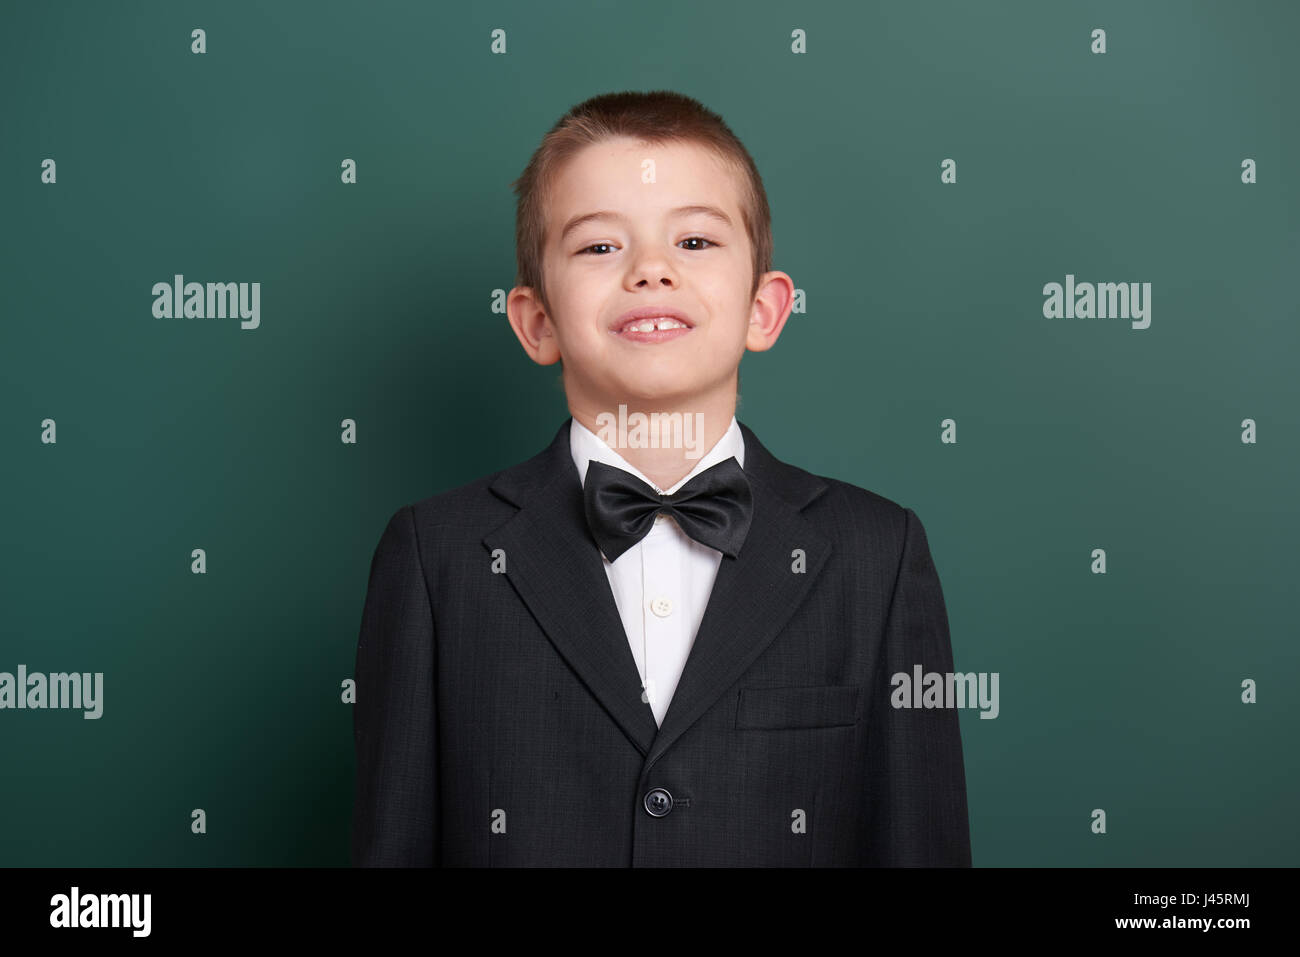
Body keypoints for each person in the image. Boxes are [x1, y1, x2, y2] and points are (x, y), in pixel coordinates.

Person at [351, 89, 971, 867]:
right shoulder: (433, 556)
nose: (651, 271)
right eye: (600, 248)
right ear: (536, 321)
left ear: (764, 309)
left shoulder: (878, 554)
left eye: (696, 242)